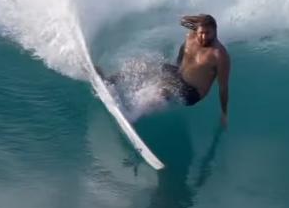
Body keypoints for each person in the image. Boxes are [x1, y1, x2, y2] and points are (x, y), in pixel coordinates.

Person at [97, 13, 231, 127]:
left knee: (163, 89)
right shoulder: (190, 38)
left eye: (208, 33)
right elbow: (183, 51)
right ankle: (110, 79)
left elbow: (223, 87)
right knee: (145, 66)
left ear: (215, 31)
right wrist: (177, 65)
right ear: (197, 30)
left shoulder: (219, 55)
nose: (204, 37)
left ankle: (132, 115)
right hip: (179, 75)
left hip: (192, 92)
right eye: (201, 33)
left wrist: (224, 114)